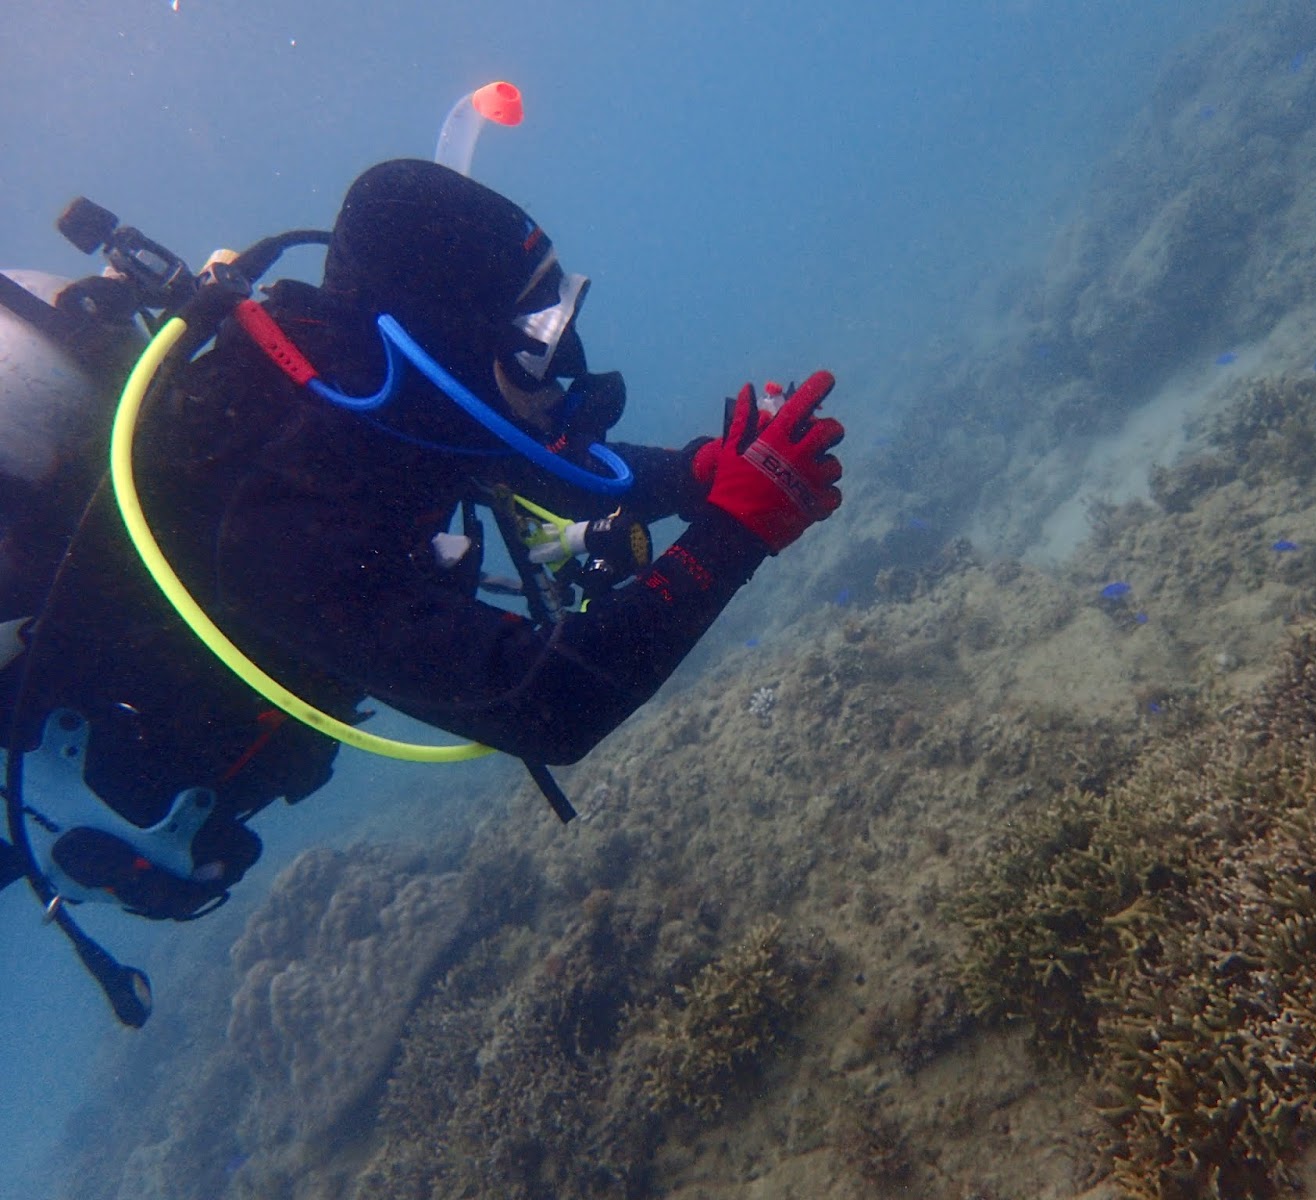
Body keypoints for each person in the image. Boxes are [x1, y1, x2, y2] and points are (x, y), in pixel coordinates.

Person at [0, 158, 844, 1023]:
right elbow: (550, 705)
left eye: (558, 310)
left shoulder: (376, 392)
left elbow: (530, 463)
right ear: (442, 332)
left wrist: (699, 477)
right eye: (537, 322)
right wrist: (735, 535)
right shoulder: (286, 516)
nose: (562, 350)